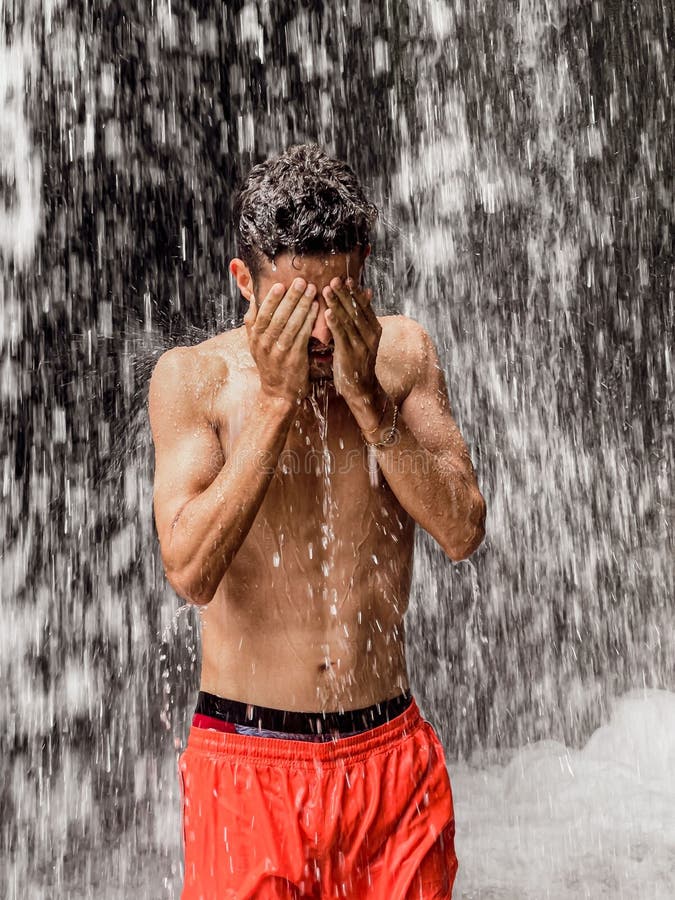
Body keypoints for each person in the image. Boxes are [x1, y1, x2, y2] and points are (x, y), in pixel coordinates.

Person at [148, 144, 486, 899]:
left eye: (339, 302)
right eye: (298, 308)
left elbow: (463, 530)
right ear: (244, 281)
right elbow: (190, 572)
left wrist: (370, 404)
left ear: (363, 268)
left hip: (390, 759)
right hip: (247, 766)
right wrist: (271, 405)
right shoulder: (193, 380)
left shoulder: (401, 356)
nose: (325, 336)